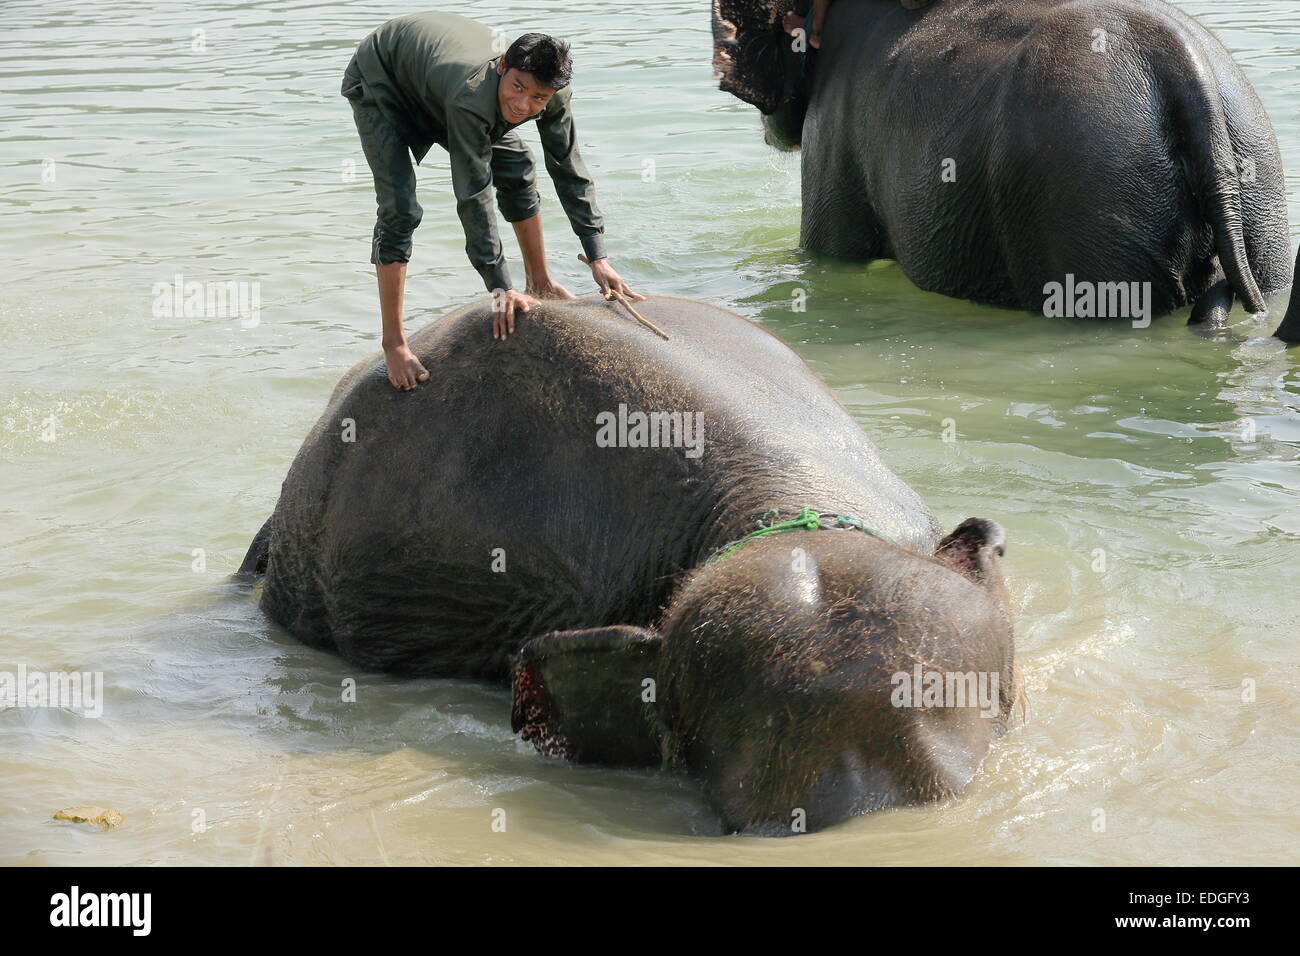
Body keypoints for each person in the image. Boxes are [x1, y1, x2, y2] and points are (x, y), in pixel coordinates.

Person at [342, 12, 643, 388]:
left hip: (438, 79)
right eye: (518, 87)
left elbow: (568, 167)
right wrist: (499, 286)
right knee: (400, 208)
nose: (523, 105)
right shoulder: (471, 97)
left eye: (538, 97)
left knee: (517, 165)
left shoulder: (553, 95)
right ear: (502, 66)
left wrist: (597, 255)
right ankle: (394, 342)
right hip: (384, 79)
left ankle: (541, 281)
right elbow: (473, 194)